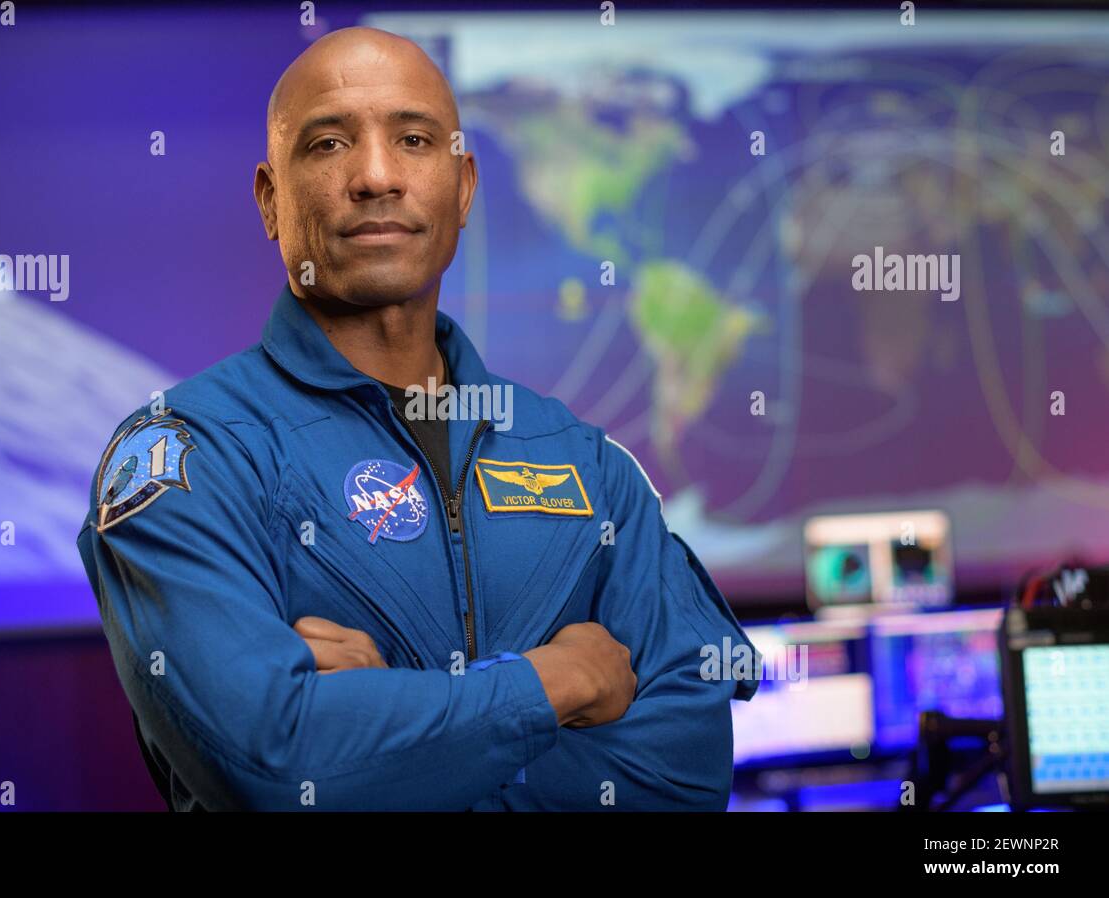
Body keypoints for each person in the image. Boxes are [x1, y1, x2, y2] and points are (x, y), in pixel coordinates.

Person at [76, 25, 758, 811]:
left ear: (463, 187)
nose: (375, 176)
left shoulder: (585, 463)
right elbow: (276, 769)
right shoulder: (190, 456)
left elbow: (682, 777)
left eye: (413, 138)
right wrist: (550, 686)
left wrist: (387, 739)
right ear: (272, 200)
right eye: (329, 144)